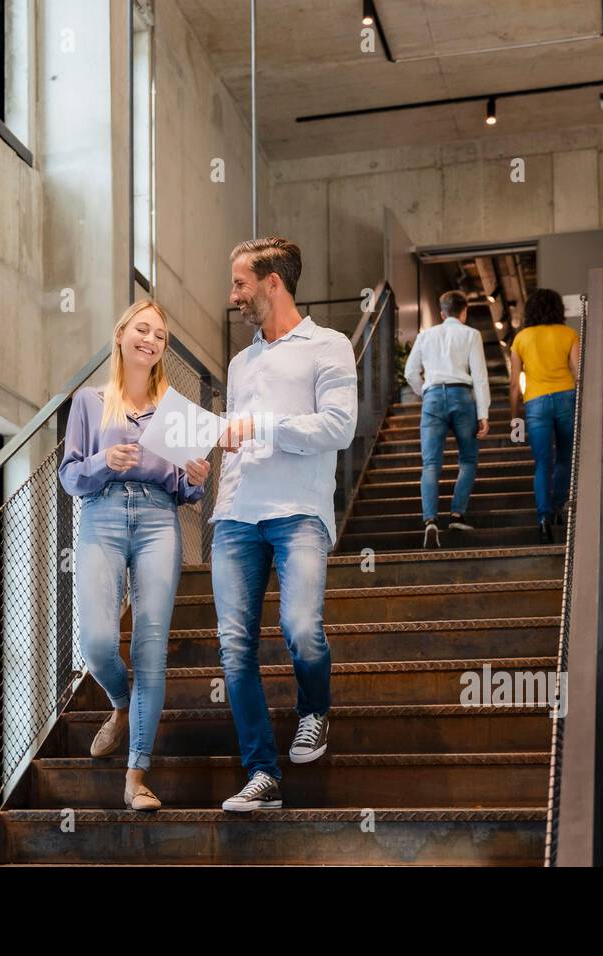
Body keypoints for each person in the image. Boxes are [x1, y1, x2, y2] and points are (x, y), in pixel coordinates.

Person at [210, 236, 358, 813]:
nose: (233, 295)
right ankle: (262, 774)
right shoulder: (239, 362)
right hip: (235, 515)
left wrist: (264, 426)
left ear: (274, 282)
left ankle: (314, 710)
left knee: (300, 627)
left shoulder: (330, 345)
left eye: (241, 283)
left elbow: (339, 427)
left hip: (299, 511)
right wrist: (211, 450)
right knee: (234, 648)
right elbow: (237, 436)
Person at [58, 300, 211, 811]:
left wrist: (195, 480)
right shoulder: (90, 401)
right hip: (102, 515)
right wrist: (105, 460)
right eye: (142, 329)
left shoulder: (177, 408)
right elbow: (71, 476)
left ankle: (136, 775)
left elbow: (187, 494)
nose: (151, 339)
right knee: (98, 643)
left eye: (160, 335)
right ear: (121, 334)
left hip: (157, 521)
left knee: (150, 650)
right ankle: (121, 705)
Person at [403, 289, 491, 549]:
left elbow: (410, 372)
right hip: (462, 397)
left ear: (442, 313)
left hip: (432, 397)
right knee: (468, 458)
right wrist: (483, 413)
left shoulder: (425, 335)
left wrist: (426, 391)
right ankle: (456, 514)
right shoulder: (471, 334)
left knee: (430, 463)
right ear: (464, 312)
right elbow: (480, 376)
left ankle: (430, 520)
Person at [508, 288, 580, 544]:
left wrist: (515, 417)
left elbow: (515, 383)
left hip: (535, 404)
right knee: (565, 458)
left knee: (542, 464)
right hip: (566, 399)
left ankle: (543, 518)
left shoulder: (521, 338)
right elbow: (578, 372)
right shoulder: (568, 334)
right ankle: (559, 505)